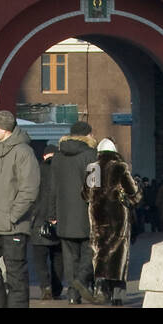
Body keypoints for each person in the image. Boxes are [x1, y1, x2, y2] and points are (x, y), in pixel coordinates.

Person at [0, 110, 40, 308]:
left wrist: (13, 216)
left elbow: (29, 189)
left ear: (4, 129)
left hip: (14, 225)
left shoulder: (23, 152)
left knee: (16, 273)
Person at [83, 137, 141, 305]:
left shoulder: (93, 168)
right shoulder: (120, 168)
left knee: (100, 253)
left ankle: (101, 289)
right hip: (118, 218)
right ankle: (118, 295)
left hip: (97, 218)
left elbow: (85, 194)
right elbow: (134, 194)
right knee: (118, 254)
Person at [47, 118, 98, 305]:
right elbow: (95, 187)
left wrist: (52, 214)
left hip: (64, 214)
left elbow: (52, 188)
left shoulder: (58, 156)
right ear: (87, 135)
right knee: (90, 252)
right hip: (86, 213)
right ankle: (79, 283)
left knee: (69, 256)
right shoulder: (92, 155)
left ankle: (72, 294)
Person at [30, 146, 63, 301]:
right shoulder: (63, 171)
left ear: (44, 156)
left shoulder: (36, 170)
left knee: (40, 258)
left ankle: (45, 286)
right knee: (58, 257)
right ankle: (57, 287)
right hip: (59, 220)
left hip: (38, 220)